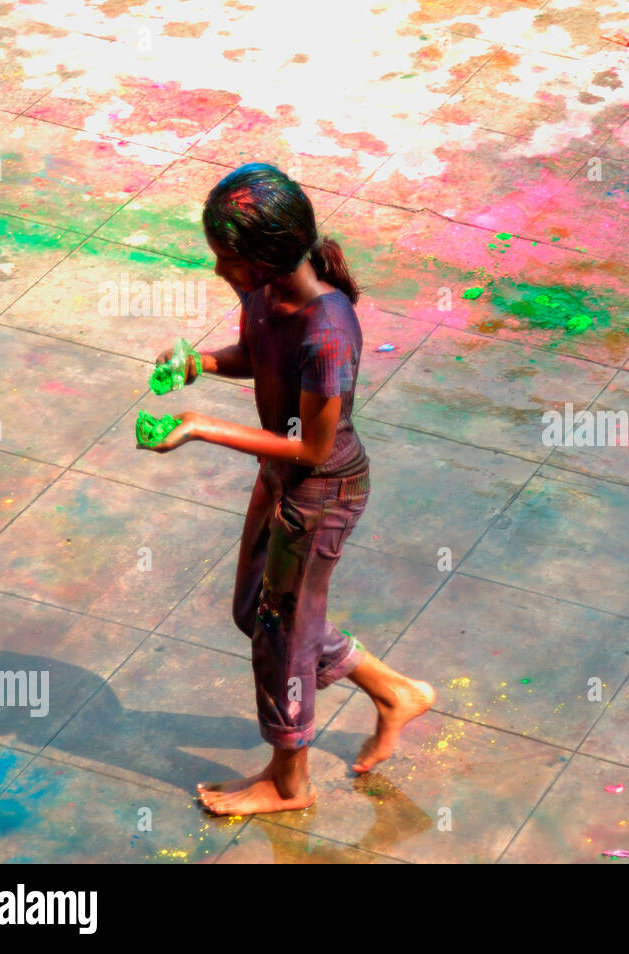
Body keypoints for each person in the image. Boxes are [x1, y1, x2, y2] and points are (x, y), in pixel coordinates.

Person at [140, 163, 434, 816]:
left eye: (227, 260)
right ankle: (391, 691)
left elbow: (313, 447)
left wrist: (202, 428)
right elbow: (260, 356)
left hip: (320, 494)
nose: (219, 272)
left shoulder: (330, 332)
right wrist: (199, 363)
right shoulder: (266, 297)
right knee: (256, 612)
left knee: (282, 636)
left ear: (265, 259)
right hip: (280, 481)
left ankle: (289, 782)